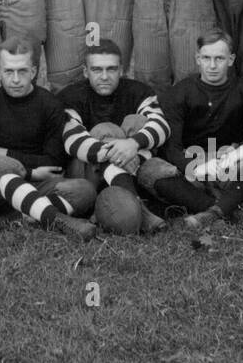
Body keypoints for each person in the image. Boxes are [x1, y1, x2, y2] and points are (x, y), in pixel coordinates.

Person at [137, 30, 243, 230]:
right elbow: (171, 147)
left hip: (230, 164)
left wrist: (239, 153)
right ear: (198, 58)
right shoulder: (180, 92)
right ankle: (233, 212)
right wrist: (197, 168)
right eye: (206, 58)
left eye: (219, 58)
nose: (212, 65)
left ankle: (213, 213)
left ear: (231, 60)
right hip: (190, 167)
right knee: (149, 169)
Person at [0, 39, 98, 240]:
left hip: (40, 184)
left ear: (34, 72)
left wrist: (5, 152)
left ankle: (7, 220)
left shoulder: (50, 104)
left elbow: (53, 162)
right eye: (9, 72)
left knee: (85, 191)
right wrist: (30, 171)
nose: (16, 79)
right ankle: (55, 219)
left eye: (22, 71)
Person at [58, 39, 168, 234]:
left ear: (121, 70)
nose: (104, 76)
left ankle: (128, 203)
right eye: (97, 70)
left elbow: (161, 126)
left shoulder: (138, 91)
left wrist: (133, 144)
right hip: (86, 173)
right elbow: (71, 139)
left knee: (138, 123)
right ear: (85, 71)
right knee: (103, 131)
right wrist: (119, 151)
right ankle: (142, 210)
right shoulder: (69, 96)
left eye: (111, 69)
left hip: (132, 169)